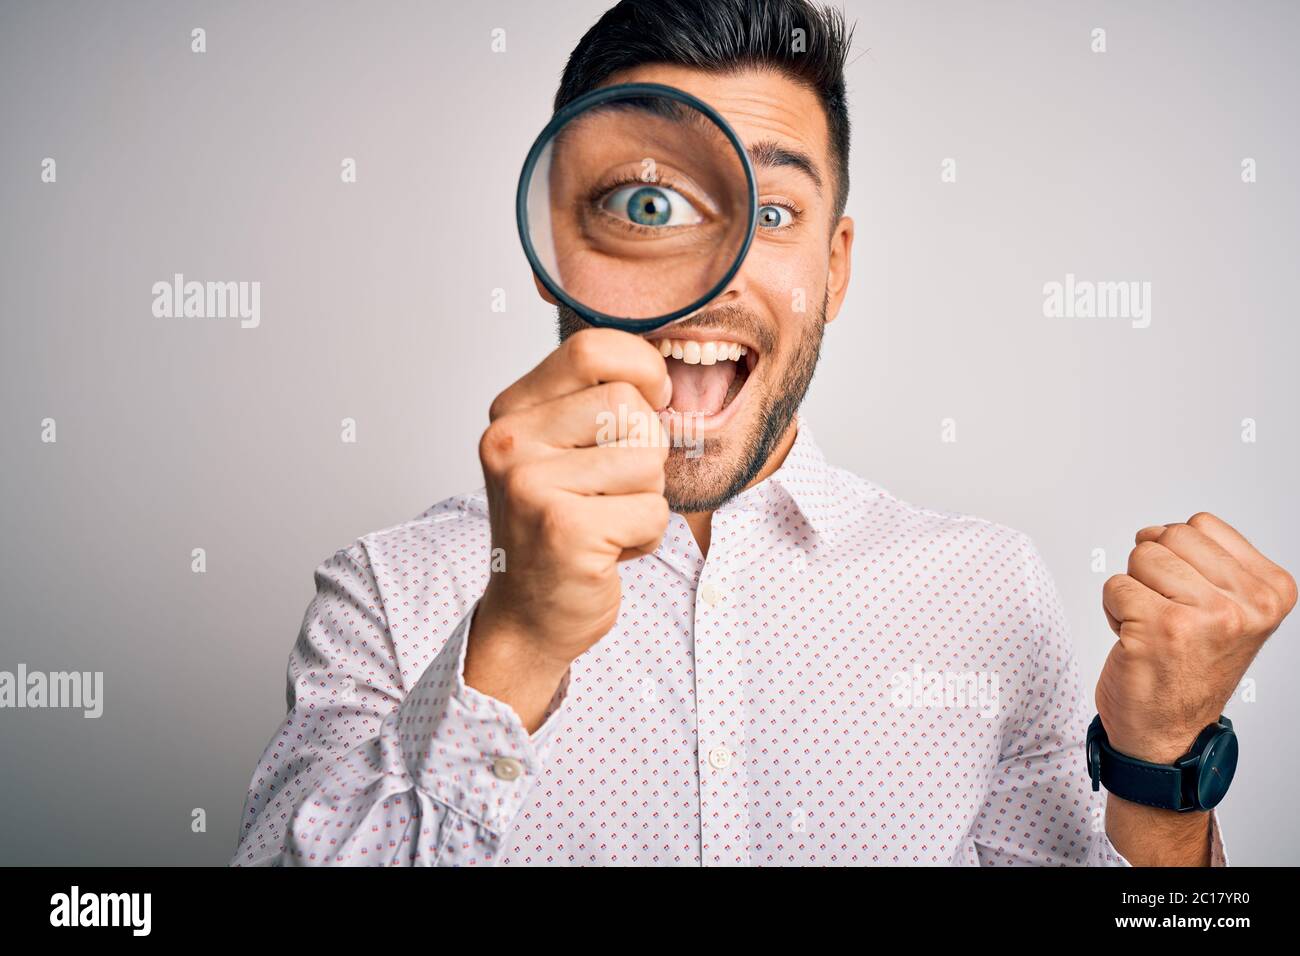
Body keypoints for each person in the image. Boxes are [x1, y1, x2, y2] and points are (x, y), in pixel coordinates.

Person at [231, 0, 1295, 866]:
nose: (714, 277)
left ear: (835, 266)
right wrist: (512, 641)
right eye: (646, 205)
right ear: (556, 239)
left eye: (773, 214)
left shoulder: (985, 590)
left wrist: (1159, 770)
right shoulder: (387, 590)